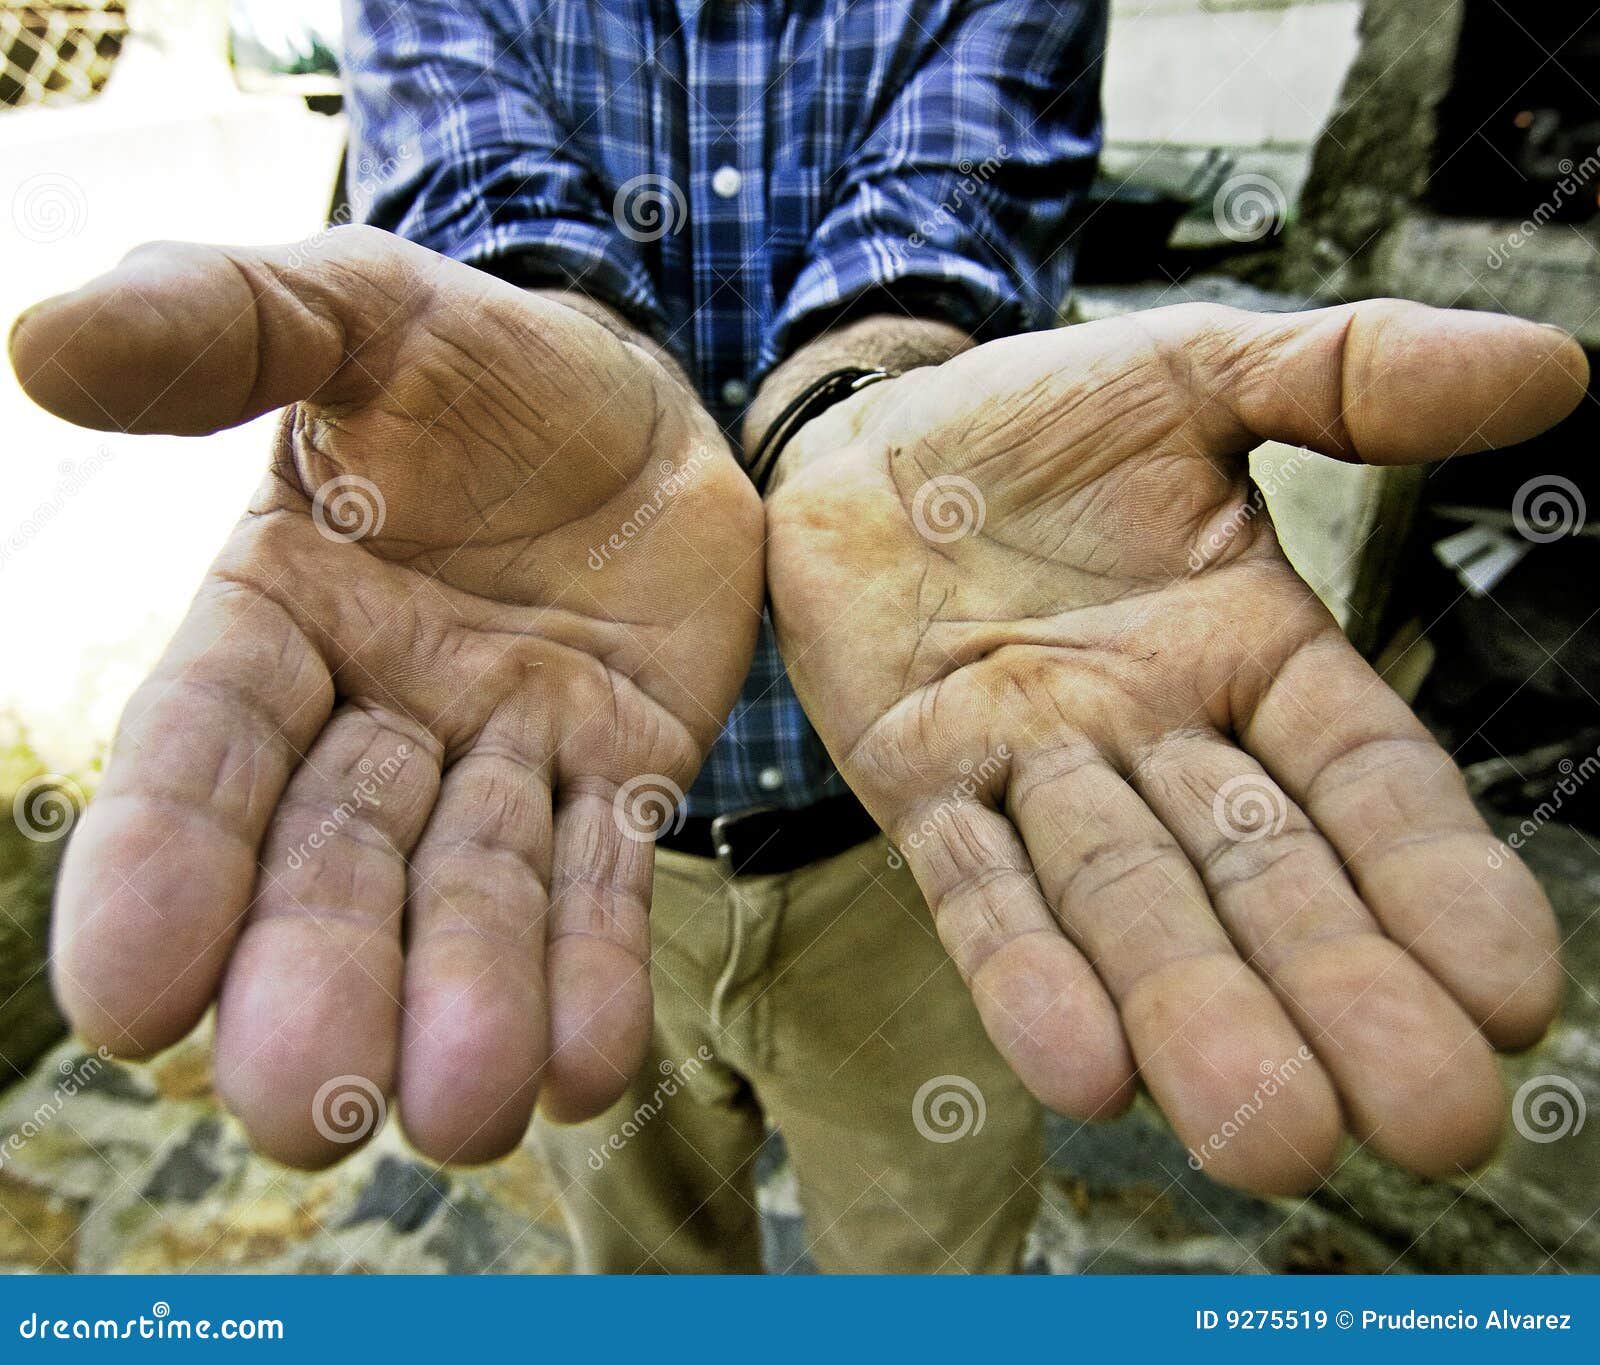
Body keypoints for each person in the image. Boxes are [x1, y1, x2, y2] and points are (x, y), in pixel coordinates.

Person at [7, 0, 1586, 1274]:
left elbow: (944, 212)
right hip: (589, 854)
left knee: (932, 1274)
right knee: (643, 1271)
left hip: (913, 851)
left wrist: (858, 406)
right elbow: (481, 199)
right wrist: (548, 338)